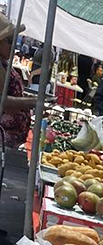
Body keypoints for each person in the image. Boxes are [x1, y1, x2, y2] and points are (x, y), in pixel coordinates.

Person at [0, 14, 36, 148]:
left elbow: (10, 93)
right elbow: (2, 102)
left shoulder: (4, 62)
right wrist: (32, 103)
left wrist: (27, 100)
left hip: (9, 141)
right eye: (9, 40)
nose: (13, 44)